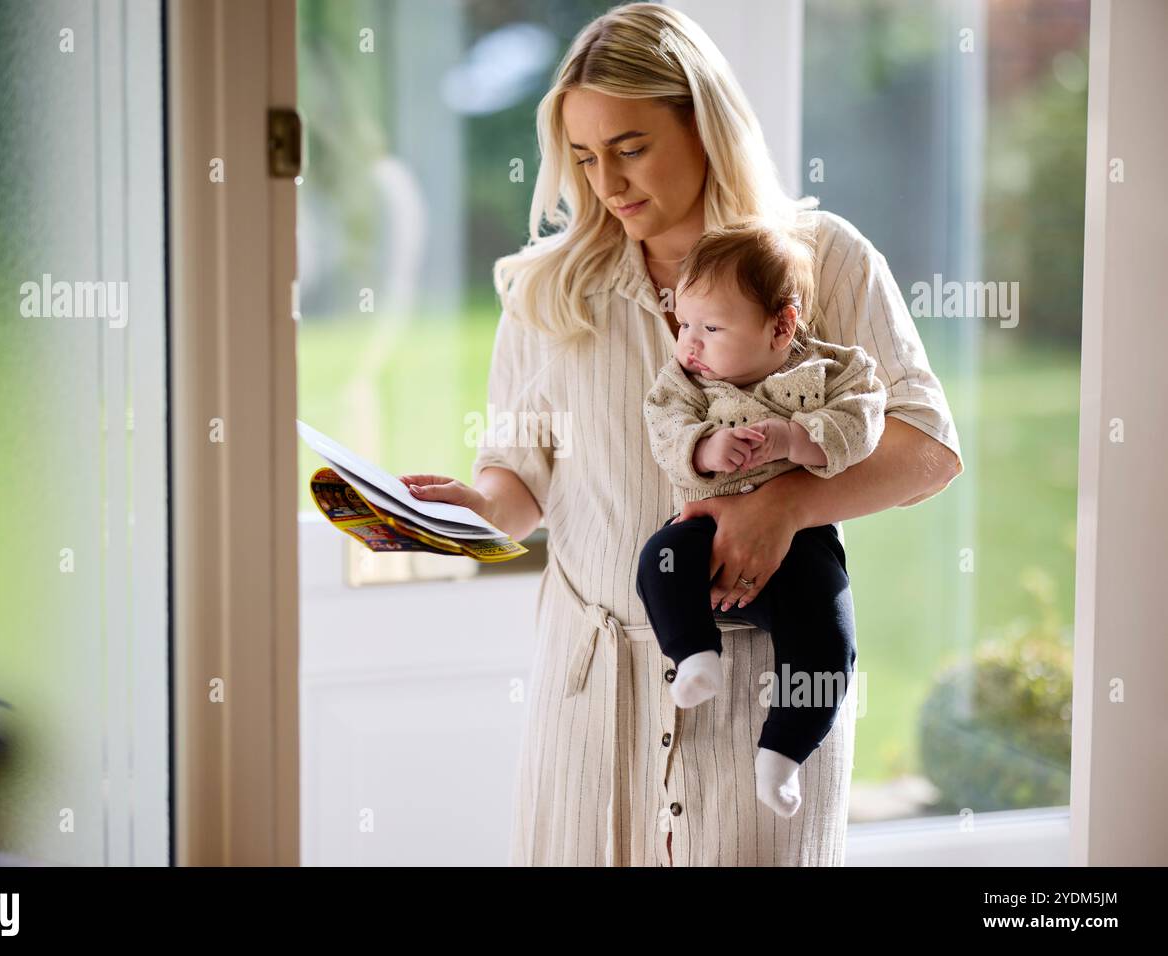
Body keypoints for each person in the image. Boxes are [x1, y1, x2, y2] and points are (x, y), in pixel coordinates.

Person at [399, 2, 962, 866]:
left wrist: (784, 505)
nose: (608, 184)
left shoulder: (825, 259)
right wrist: (470, 512)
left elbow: (925, 450)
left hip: (770, 694)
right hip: (589, 704)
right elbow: (517, 480)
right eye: (585, 158)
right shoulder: (549, 291)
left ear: (704, 124)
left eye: (631, 147)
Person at [634, 218, 885, 820]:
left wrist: (794, 438)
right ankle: (695, 655)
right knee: (659, 560)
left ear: (782, 326)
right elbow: (664, 429)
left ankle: (784, 751)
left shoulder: (831, 371)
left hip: (804, 542)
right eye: (684, 324)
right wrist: (704, 448)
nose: (689, 344)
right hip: (707, 527)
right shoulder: (687, 383)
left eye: (711, 328)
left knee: (828, 639)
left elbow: (864, 423)